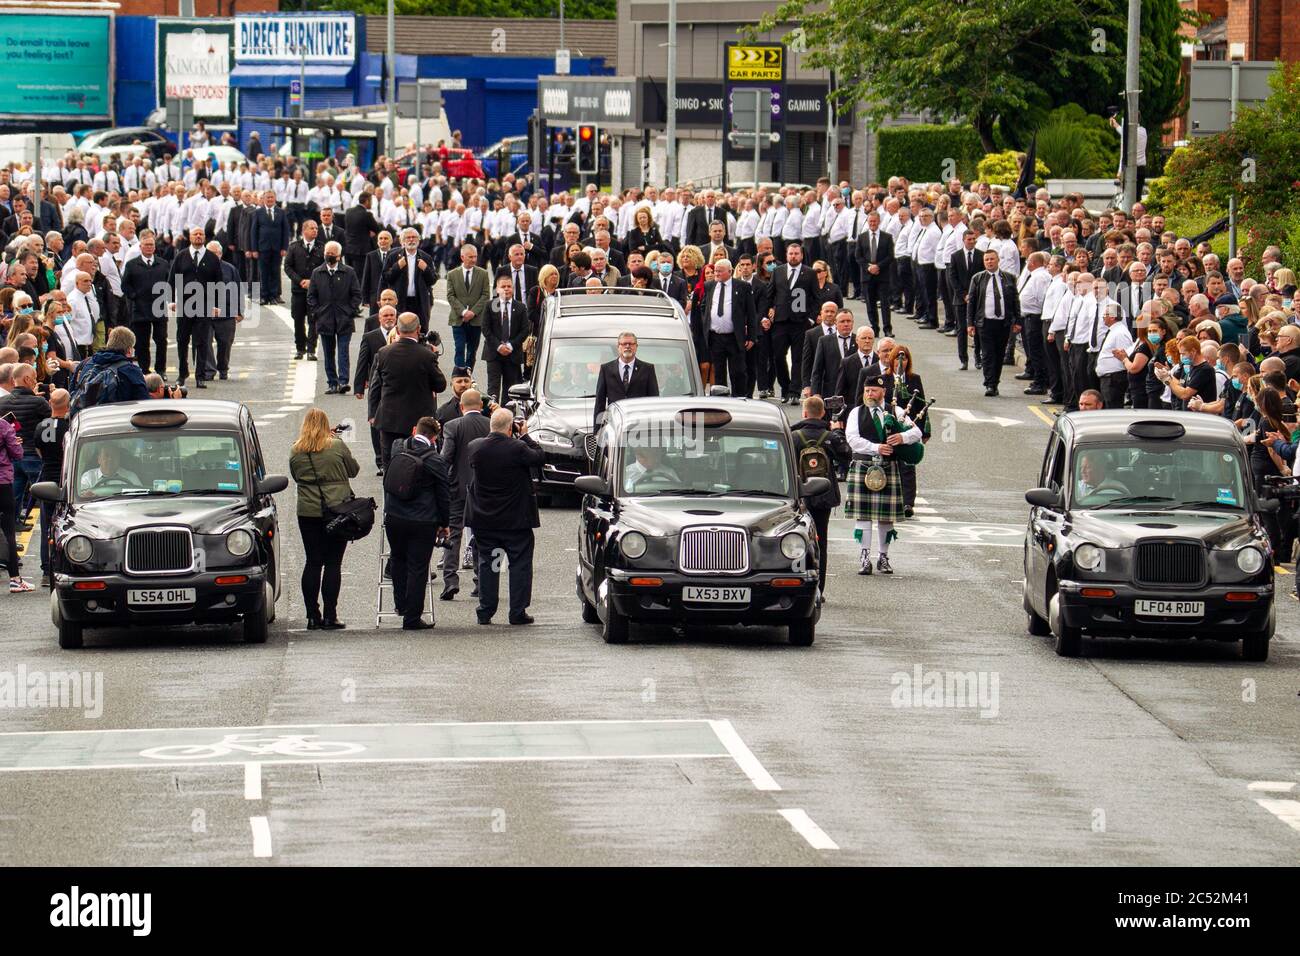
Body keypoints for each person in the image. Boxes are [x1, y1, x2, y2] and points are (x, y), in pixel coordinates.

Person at [464, 407, 544, 625]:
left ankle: (485, 610)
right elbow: (539, 457)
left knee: (489, 564)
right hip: (515, 521)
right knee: (520, 565)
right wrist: (526, 435)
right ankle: (517, 612)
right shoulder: (518, 447)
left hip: (485, 519)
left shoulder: (475, 447)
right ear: (511, 428)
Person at [844, 369, 922, 575]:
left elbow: (917, 432)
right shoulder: (855, 412)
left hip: (888, 468)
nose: (870, 394)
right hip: (863, 466)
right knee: (863, 516)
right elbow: (852, 439)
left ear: (883, 391)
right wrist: (875, 447)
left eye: (874, 390)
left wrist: (901, 438)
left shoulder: (895, 411)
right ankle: (864, 556)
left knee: (886, 518)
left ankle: (883, 557)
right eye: (867, 390)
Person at [288, 407, 360, 630]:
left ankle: (312, 615)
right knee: (332, 563)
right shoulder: (336, 445)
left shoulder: (296, 450)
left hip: (308, 511)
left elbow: (295, 475)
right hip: (336, 509)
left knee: (312, 561)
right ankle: (330, 615)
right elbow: (354, 470)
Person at [383, 416, 451, 630]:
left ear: (415, 430)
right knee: (418, 568)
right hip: (422, 519)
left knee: (398, 559)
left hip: (394, 516)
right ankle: (412, 617)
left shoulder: (397, 448)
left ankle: (400, 605)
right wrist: (444, 522)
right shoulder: (434, 460)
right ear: (434, 439)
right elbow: (443, 495)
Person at [790, 394, 850, 596]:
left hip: (800, 494)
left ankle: (798, 585)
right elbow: (846, 456)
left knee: (796, 539)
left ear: (805, 412)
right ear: (823, 413)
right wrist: (837, 431)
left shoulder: (795, 436)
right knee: (820, 541)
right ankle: (819, 589)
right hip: (824, 493)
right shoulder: (830, 437)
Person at [370, 312, 446, 467]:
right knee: (421, 465)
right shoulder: (426, 355)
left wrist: (372, 412)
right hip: (419, 421)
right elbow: (440, 385)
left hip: (390, 419)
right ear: (418, 329)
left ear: (397, 330)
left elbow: (376, 384)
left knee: (390, 467)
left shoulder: (384, 353)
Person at [439, 387, 492, 600]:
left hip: (457, 487)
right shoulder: (491, 425)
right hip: (484, 488)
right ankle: (481, 581)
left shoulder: (453, 426)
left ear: (461, 407)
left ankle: (450, 580)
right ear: (481, 405)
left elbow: (446, 458)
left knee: (454, 534)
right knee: (481, 535)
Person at [167, 226, 222, 388]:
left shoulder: (212, 258)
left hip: (204, 306)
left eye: (201, 234)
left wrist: (216, 305)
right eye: (195, 234)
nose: (198, 236)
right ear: (190, 237)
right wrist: (170, 300)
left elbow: (218, 283)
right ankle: (182, 374)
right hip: (184, 305)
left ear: (204, 237)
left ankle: (200, 376)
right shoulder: (181, 256)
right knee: (182, 340)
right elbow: (171, 280)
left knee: (202, 341)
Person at [307, 241, 362, 395]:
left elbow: (356, 294)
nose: (329, 256)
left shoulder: (349, 272)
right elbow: (311, 296)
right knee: (328, 353)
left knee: (343, 352)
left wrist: (350, 311)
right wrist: (318, 311)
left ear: (339, 256)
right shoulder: (317, 273)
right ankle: (332, 382)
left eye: (332, 254)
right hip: (325, 319)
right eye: (327, 253)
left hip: (344, 319)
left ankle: (344, 381)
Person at [966, 248, 1022, 396]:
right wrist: (970, 323)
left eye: (992, 259)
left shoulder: (1009, 278)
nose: (989, 262)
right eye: (986, 260)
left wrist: (1017, 320)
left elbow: (1015, 300)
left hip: (1003, 323)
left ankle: (995, 382)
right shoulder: (977, 278)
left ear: (998, 260)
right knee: (988, 354)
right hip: (984, 323)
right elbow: (971, 302)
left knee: (999, 354)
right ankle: (989, 384)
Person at [0, 362, 50, 524]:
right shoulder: (39, 403)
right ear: (27, 379)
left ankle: (14, 525)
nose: (36, 382)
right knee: (44, 495)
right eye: (34, 378)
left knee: (14, 494)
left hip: (11, 457)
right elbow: (49, 426)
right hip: (33, 455)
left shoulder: (2, 402)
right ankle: (47, 525)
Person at [353, 303, 399, 475]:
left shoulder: (401, 335)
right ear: (379, 318)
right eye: (385, 316)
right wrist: (359, 386)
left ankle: (393, 457)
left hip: (394, 387)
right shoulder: (370, 337)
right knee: (375, 422)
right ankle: (380, 460)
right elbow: (362, 361)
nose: (388, 319)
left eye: (391, 316)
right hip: (377, 386)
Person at [700, 259, 754, 396]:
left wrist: (752, 337)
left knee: (738, 371)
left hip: (734, 337)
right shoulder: (709, 286)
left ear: (729, 271)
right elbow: (704, 307)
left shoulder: (742, 287)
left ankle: (740, 398)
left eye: (720, 271)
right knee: (718, 372)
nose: (716, 273)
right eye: (715, 270)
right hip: (715, 337)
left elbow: (751, 313)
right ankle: (722, 400)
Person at [68, 326, 151, 415]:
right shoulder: (132, 371)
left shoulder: (85, 364)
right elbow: (143, 404)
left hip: (86, 420)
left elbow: (72, 392)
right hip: (115, 420)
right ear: (129, 350)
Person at [120, 232, 170, 375]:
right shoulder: (132, 264)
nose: (149, 247)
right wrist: (134, 296)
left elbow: (169, 283)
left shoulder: (163, 264)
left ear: (155, 247)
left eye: (151, 245)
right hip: (140, 309)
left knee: (161, 340)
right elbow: (125, 285)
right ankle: (144, 370)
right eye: (146, 245)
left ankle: (161, 370)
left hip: (159, 308)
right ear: (140, 247)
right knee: (142, 342)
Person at [34, 387, 69, 586]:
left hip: (47, 476)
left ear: (50, 404)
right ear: (68, 405)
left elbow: (39, 450)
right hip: (64, 479)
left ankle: (46, 571)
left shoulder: (41, 426)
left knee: (46, 525)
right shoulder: (70, 427)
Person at [593, 331, 659, 427]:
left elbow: (654, 401)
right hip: (615, 426)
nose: (627, 346)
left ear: (636, 346)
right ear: (618, 347)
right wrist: (597, 430)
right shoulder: (606, 369)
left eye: (631, 344)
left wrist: (653, 427)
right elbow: (600, 403)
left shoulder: (648, 369)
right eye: (624, 344)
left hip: (640, 426)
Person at [482, 274, 529, 403]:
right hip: (493, 353)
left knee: (510, 389)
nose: (506, 289)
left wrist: (511, 345)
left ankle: (508, 416)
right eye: (503, 287)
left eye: (509, 286)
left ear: (513, 288)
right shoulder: (490, 305)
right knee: (493, 388)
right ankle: (492, 416)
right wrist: (498, 346)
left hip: (512, 353)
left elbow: (525, 330)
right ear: (497, 289)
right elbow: (485, 328)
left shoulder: (520, 307)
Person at [0, 404, 31, 593]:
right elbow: (18, 454)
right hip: (2, 484)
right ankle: (15, 578)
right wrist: (16, 443)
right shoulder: (3, 425)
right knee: (9, 531)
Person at [445, 243, 490, 369]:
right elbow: (450, 296)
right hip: (458, 319)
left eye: (475, 257)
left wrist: (473, 312)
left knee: (472, 351)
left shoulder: (483, 274)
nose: (474, 260)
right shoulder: (452, 274)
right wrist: (464, 312)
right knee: (459, 348)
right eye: (470, 257)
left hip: (476, 320)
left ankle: (468, 375)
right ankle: (459, 375)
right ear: (462, 257)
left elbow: (486, 295)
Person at [285, 218, 325, 360]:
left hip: (315, 291)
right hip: (298, 290)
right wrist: (300, 280)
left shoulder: (322, 247)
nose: (315, 230)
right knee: (298, 320)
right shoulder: (294, 247)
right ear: (304, 231)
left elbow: (324, 267)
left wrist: (312, 281)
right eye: (312, 228)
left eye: (316, 228)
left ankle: (311, 349)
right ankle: (300, 348)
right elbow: (288, 267)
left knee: (313, 320)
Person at [383, 227, 436, 333]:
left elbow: (433, 280)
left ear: (419, 240)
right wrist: (397, 267)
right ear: (402, 241)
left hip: (419, 301)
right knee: (399, 331)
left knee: (420, 331)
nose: (411, 240)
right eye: (408, 237)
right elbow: (386, 277)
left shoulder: (426, 257)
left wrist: (425, 269)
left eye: (414, 237)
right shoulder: (393, 256)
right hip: (400, 300)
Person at [856, 211, 894, 336]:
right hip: (867, 276)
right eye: (870, 221)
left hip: (882, 275)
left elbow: (890, 256)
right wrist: (868, 267)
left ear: (879, 221)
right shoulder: (861, 237)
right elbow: (858, 256)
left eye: (874, 221)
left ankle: (887, 329)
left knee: (884, 303)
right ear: (867, 222)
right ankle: (874, 328)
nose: (872, 223)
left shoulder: (887, 237)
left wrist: (878, 266)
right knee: (870, 303)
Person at [249, 190, 290, 305]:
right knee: (263, 272)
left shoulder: (281, 212)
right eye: (268, 198)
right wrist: (254, 249)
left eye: (272, 197)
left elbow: (285, 231)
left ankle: (274, 295)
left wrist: (284, 248)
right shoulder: (258, 212)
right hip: (262, 248)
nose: (270, 200)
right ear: (264, 199)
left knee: (275, 271)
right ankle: (264, 296)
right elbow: (253, 232)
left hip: (277, 248)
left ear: (275, 198)